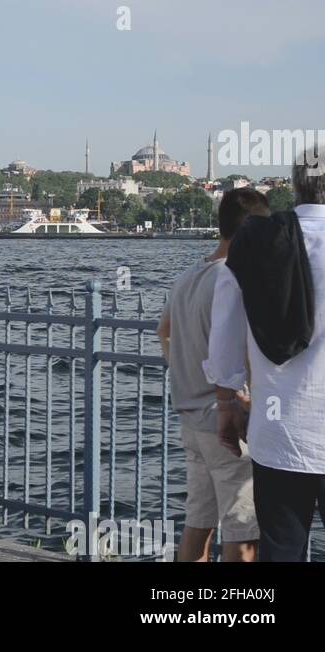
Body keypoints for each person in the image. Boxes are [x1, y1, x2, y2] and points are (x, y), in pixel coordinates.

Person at [205, 147, 325, 561]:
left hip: (279, 433)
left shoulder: (257, 242)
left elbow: (224, 334)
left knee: (281, 549)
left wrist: (226, 403)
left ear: (295, 188)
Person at [158, 188, 268, 562]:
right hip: (225, 421)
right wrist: (246, 396)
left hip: (190, 417)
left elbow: (165, 331)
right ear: (251, 231)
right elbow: (242, 347)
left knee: (198, 523)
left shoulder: (188, 276)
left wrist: (184, 371)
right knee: (243, 527)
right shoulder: (234, 278)